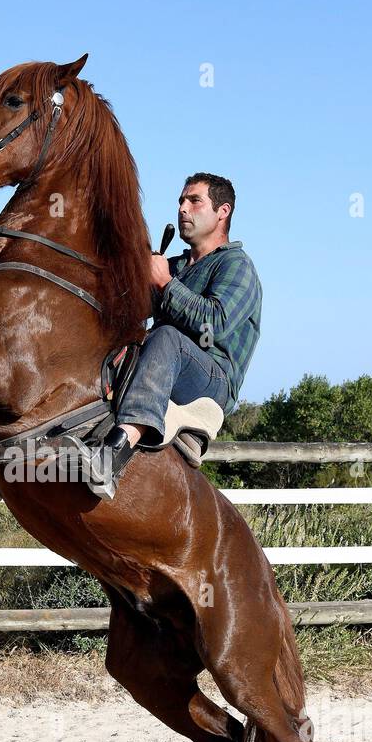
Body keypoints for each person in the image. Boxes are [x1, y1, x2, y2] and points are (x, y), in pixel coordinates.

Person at [82, 172, 262, 500]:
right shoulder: (175, 264)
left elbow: (214, 322)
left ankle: (113, 455)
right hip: (164, 362)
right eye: (181, 200)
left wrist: (165, 283)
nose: (183, 208)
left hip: (212, 381)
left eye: (195, 201)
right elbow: (131, 314)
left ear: (223, 212)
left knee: (166, 337)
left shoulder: (237, 266)